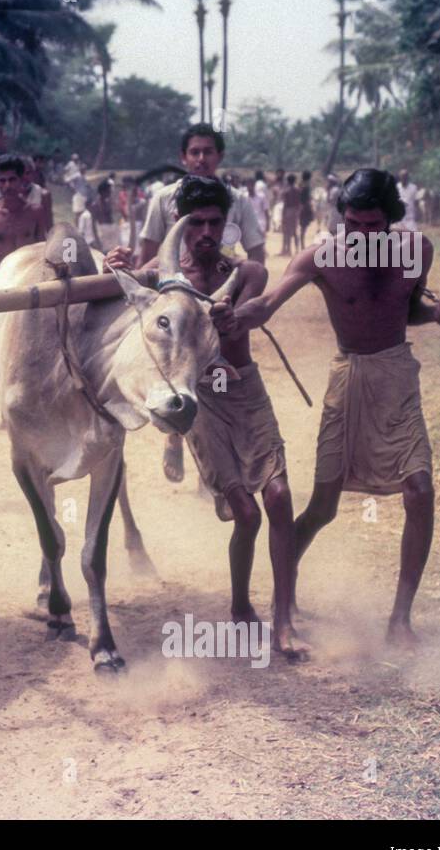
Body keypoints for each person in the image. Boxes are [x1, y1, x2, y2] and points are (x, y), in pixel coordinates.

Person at [223, 168, 440, 645]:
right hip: (347, 377)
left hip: (396, 376)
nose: (360, 236)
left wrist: (438, 314)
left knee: (420, 489)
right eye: (352, 226)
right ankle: (283, 591)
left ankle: (399, 620)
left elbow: (408, 307)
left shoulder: (418, 251)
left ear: (392, 220)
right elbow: (266, 306)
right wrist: (232, 314)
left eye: (371, 227)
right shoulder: (320, 257)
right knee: (323, 507)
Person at [107, 176, 307, 656]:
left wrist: (236, 318)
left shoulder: (248, 271)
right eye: (195, 221)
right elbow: (128, 301)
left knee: (278, 497)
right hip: (199, 401)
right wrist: (117, 267)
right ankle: (240, 605)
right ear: (179, 222)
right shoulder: (156, 274)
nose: (206, 231)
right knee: (245, 513)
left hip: (244, 387)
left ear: (228, 224)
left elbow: (255, 307)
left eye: (216, 222)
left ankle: (283, 620)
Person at [138, 123, 267, 485]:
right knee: (178, 368)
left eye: (207, 151)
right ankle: (175, 437)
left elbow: (255, 249)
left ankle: (215, 459)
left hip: (219, 293)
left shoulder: (237, 200)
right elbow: (149, 252)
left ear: (219, 156)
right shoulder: (163, 198)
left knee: (218, 370)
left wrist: (247, 294)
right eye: (194, 152)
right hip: (176, 296)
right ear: (183, 157)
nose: (200, 158)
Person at [0, 154, 45, 289]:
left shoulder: (35, 212)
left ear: (21, 180)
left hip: (29, 278)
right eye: (2, 180)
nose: (7, 185)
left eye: (12, 179)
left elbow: (42, 248)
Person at [281, 173, 301, 256]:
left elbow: (285, 204)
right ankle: (297, 249)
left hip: (288, 211)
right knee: (295, 231)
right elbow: (298, 202)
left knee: (287, 232)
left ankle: (288, 250)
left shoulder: (286, 191)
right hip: (295, 211)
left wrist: (283, 215)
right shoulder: (297, 190)